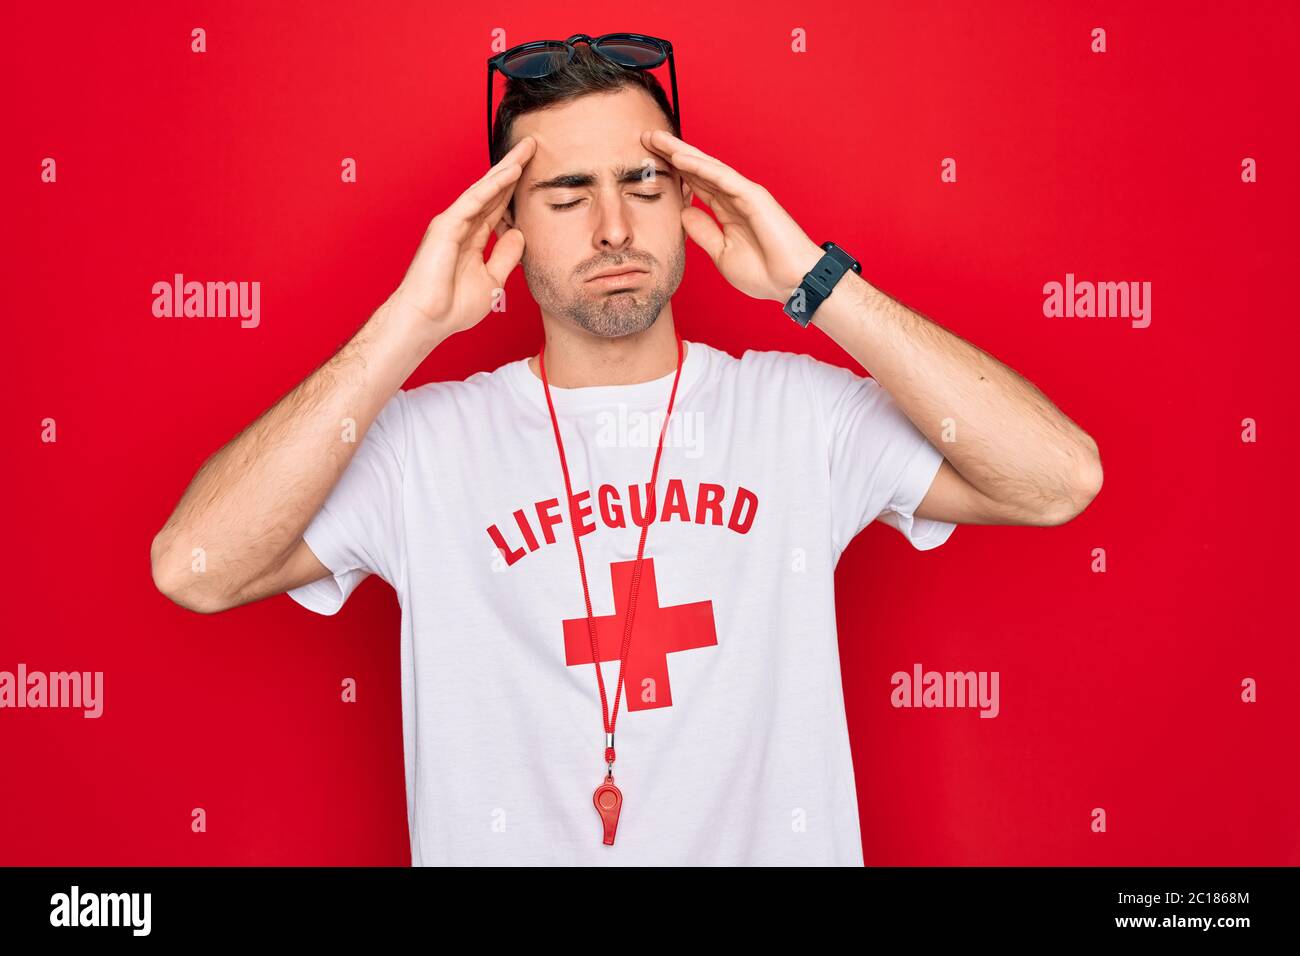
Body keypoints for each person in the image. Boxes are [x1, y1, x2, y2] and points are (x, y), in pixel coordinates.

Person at [150, 38, 1102, 866]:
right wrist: (407, 327)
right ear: (506, 225)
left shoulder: (797, 416)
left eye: (642, 183)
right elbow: (195, 569)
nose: (614, 227)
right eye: (568, 195)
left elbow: (1060, 480)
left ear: (688, 197)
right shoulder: (422, 447)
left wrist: (820, 283)